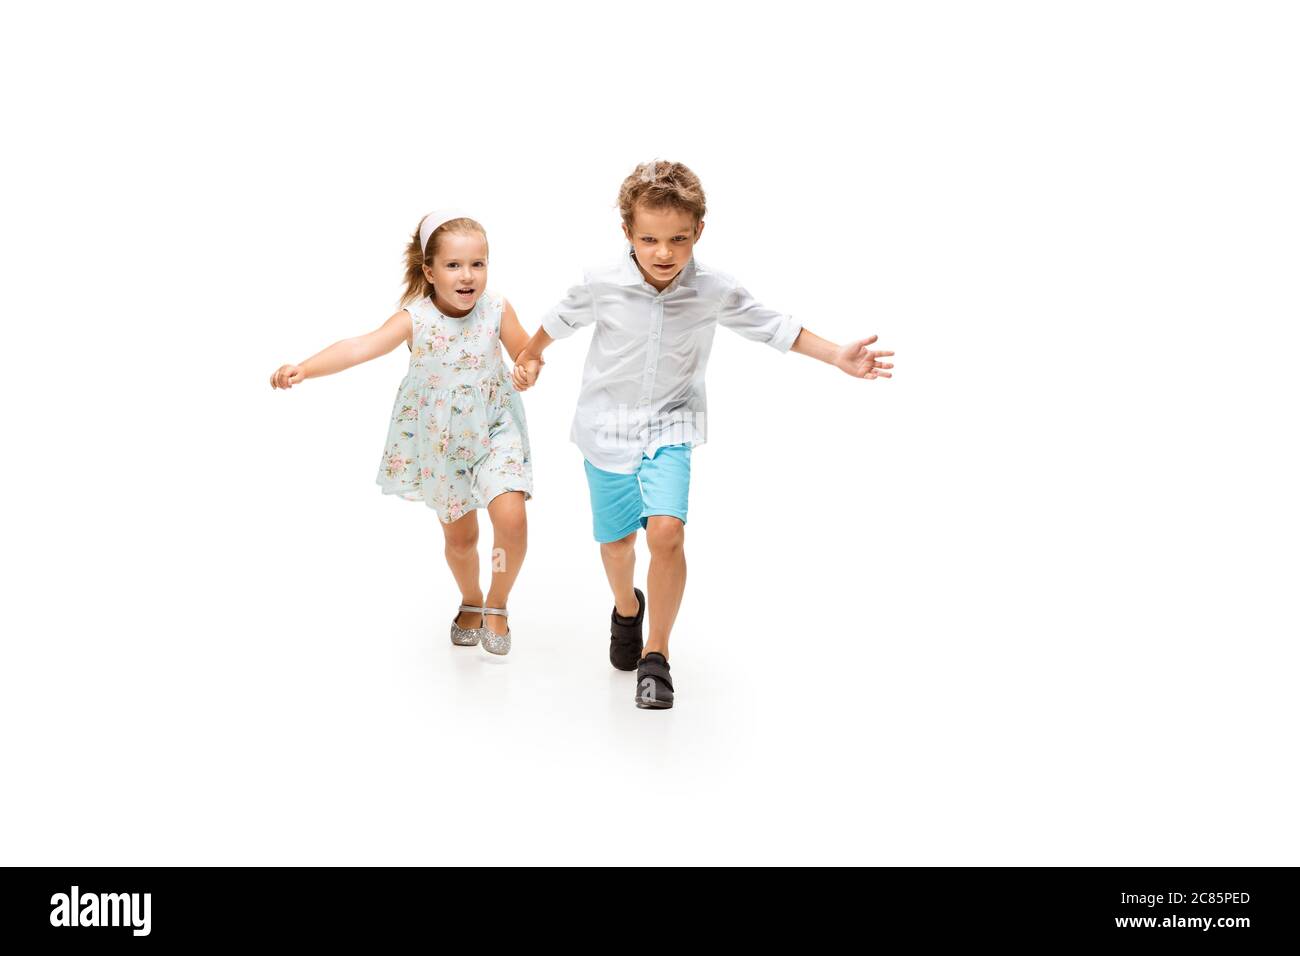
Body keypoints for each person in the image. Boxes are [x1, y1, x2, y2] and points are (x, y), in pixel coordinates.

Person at [513, 162, 895, 707]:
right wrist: (529, 358)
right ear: (627, 234)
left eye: (678, 239)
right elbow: (557, 321)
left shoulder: (712, 289)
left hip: (672, 423)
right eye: (649, 239)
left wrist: (836, 355)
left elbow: (773, 325)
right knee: (617, 547)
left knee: (666, 531)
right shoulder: (601, 282)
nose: (663, 252)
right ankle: (627, 609)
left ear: (698, 233)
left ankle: (657, 654)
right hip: (606, 426)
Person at [270, 210, 537, 655]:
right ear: (429, 272)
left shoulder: (496, 308)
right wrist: (306, 368)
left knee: (511, 517)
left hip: (495, 429)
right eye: (454, 266)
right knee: (462, 539)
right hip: (442, 441)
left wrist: (528, 368)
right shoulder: (416, 319)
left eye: (478, 263)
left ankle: (497, 601)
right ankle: (470, 597)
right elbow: (358, 348)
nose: (468, 276)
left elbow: (526, 351)